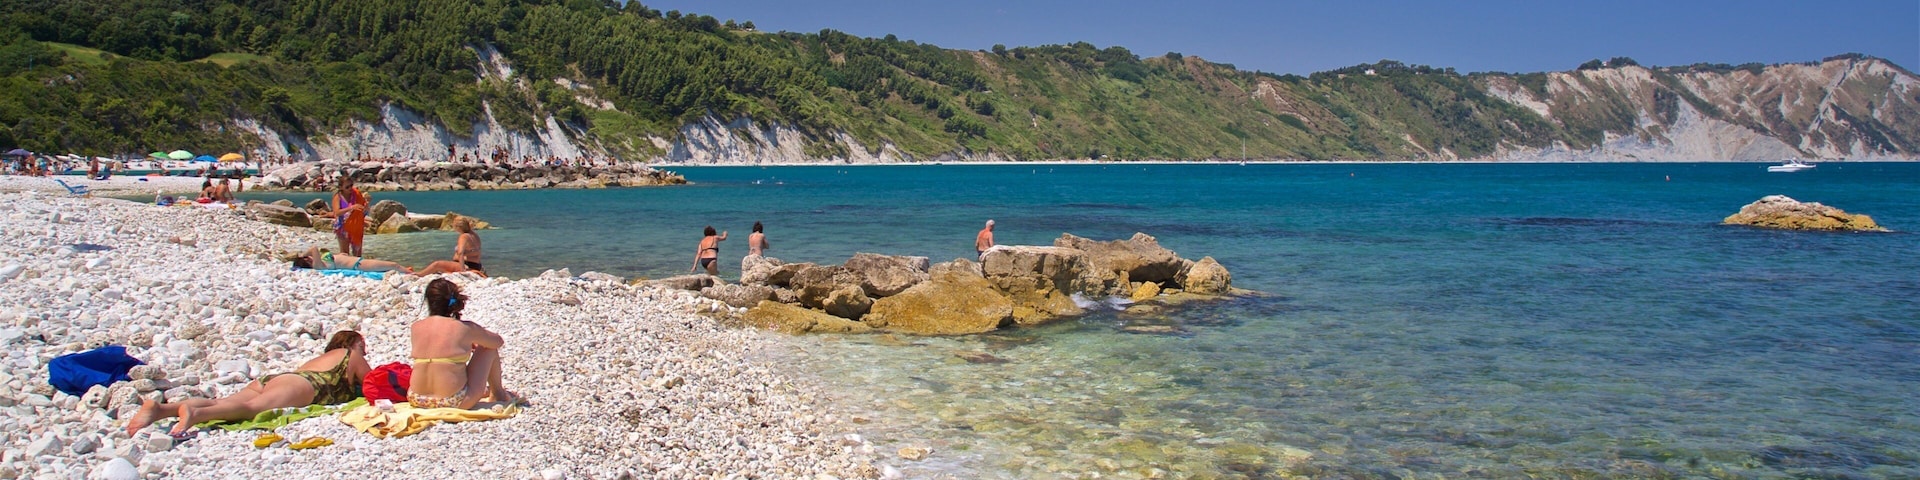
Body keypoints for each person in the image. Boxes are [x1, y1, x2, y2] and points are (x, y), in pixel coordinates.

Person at [126, 331, 371, 437]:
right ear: (354, 343)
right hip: (305, 386)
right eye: (363, 345)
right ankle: (195, 414)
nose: (365, 350)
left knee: (226, 402)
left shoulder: (320, 358)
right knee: (252, 409)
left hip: (276, 379)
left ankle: (161, 410)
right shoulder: (352, 356)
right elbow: (374, 385)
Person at [408, 278, 518, 409]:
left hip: (416, 398)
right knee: (488, 348)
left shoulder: (416, 327)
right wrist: (473, 340)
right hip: (453, 402)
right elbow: (497, 342)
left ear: (428, 301)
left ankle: (492, 392)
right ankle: (498, 393)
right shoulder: (464, 328)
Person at [416, 219, 486, 277]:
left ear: (458, 227)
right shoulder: (474, 235)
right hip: (476, 265)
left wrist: (463, 270)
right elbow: (477, 251)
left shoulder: (463, 236)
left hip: (466, 265)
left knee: (437, 264)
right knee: (442, 270)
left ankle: (419, 274)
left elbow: (460, 252)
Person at [320, 173, 368, 256]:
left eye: (351, 185)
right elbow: (337, 212)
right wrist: (351, 208)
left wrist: (366, 206)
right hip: (342, 227)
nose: (350, 188)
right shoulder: (338, 197)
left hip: (356, 227)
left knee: (357, 254)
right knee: (345, 254)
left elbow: (363, 211)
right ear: (341, 187)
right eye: (347, 187)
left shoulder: (356, 195)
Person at [291, 246, 415, 274]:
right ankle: (416, 274)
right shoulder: (318, 265)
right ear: (307, 260)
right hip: (358, 265)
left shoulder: (321, 263)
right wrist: (302, 255)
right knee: (394, 265)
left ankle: (407, 272)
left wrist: (341, 255)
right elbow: (314, 248)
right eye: (308, 258)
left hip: (359, 262)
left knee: (392, 266)